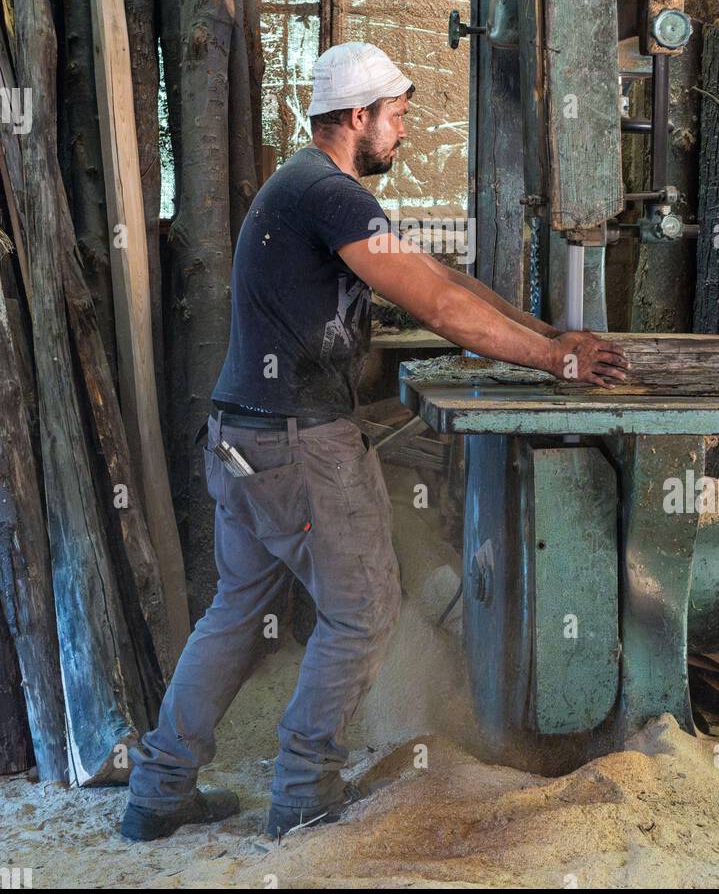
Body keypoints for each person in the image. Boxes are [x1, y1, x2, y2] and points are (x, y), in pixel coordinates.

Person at [121, 41, 628, 842]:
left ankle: (157, 792)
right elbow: (436, 307)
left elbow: (441, 277)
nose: (403, 134)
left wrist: (547, 331)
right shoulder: (332, 196)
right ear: (356, 117)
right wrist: (555, 361)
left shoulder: (307, 187)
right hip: (298, 444)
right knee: (361, 613)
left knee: (232, 612)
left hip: (240, 439)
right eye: (395, 117)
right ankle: (302, 793)